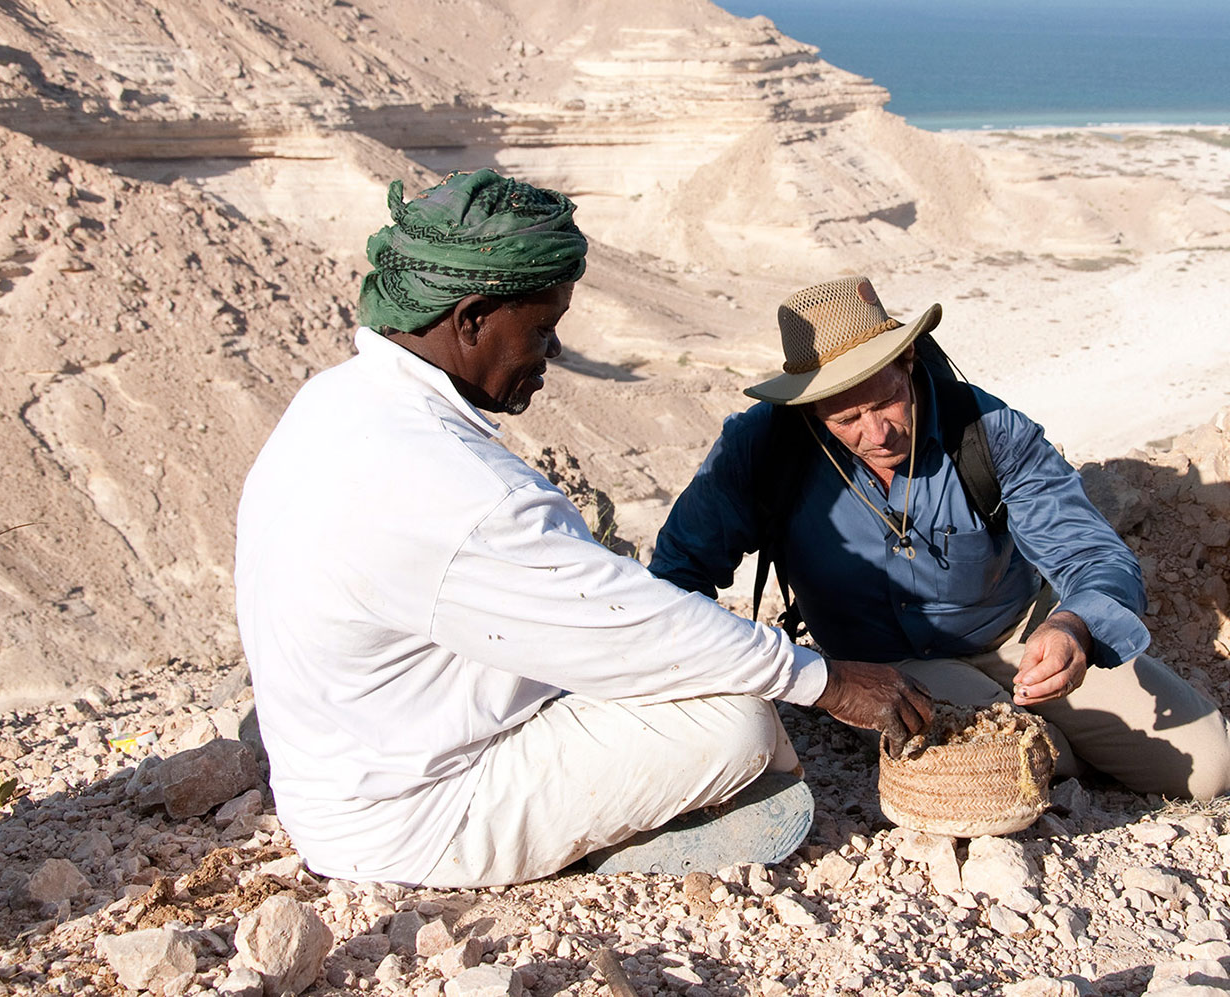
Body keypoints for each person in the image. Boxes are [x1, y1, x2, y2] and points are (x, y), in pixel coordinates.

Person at [235, 173, 930, 887]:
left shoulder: (333, 401)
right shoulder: (456, 489)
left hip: (345, 771)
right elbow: (638, 624)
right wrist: (827, 680)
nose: (554, 351)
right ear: (471, 318)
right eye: (541, 328)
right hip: (413, 815)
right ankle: (613, 845)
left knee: (695, 673)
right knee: (738, 722)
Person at [651, 276, 1230, 800]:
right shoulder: (762, 450)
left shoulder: (988, 430)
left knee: (1211, 767)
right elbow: (678, 574)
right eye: (845, 420)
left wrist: (1073, 627)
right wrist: (759, 676)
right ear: (808, 410)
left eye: (886, 403)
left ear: (909, 361)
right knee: (1019, 758)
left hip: (1017, 633)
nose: (876, 433)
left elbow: (1088, 551)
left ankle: (1066, 745)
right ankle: (1061, 755)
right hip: (887, 666)